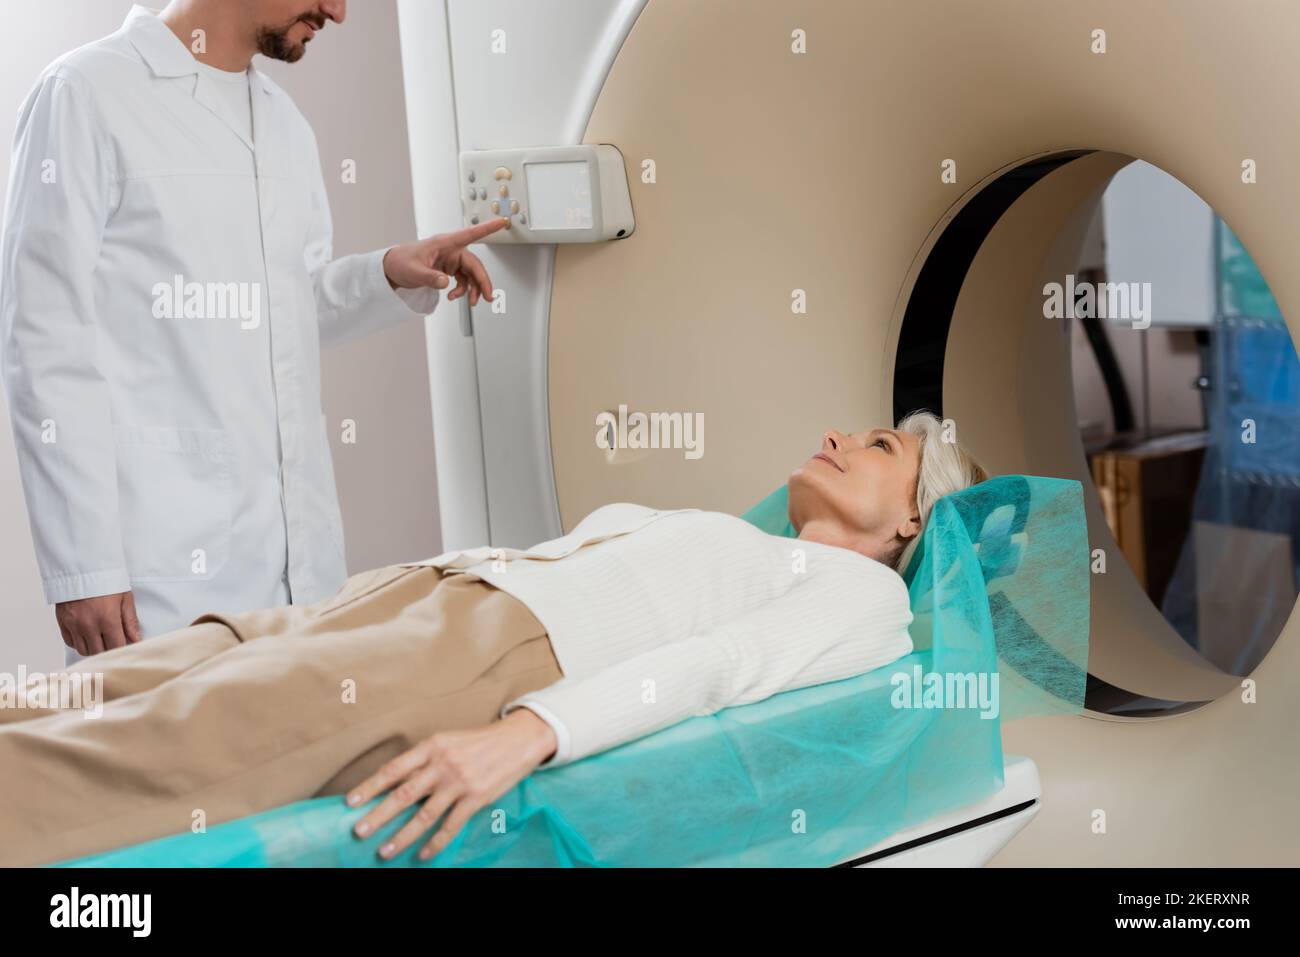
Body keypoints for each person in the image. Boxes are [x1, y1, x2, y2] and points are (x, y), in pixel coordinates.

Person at [0, 411, 988, 867]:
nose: (835, 434)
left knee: (173, 740)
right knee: (124, 679)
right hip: (424, 598)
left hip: (482, 655)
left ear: (914, 522)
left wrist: (531, 733)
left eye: (877, 446)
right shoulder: (747, 539)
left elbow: (713, 671)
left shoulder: (862, 600)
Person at [0, 0, 507, 662]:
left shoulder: (284, 125)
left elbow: (278, 317)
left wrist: (386, 272)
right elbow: (43, 340)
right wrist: (84, 565)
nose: (339, 11)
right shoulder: (87, 95)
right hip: (161, 576)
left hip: (300, 566)